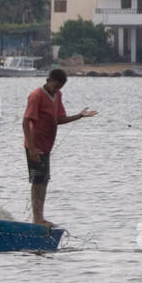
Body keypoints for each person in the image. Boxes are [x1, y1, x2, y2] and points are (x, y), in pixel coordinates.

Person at [23, 68, 97, 226]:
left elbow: (59, 119)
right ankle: (37, 219)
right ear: (48, 80)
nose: (57, 90)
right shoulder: (36, 96)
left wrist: (79, 116)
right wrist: (31, 148)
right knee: (37, 181)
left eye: (59, 88)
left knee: (44, 181)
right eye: (55, 86)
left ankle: (39, 218)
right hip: (34, 144)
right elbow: (25, 122)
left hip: (47, 145)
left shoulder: (57, 95)